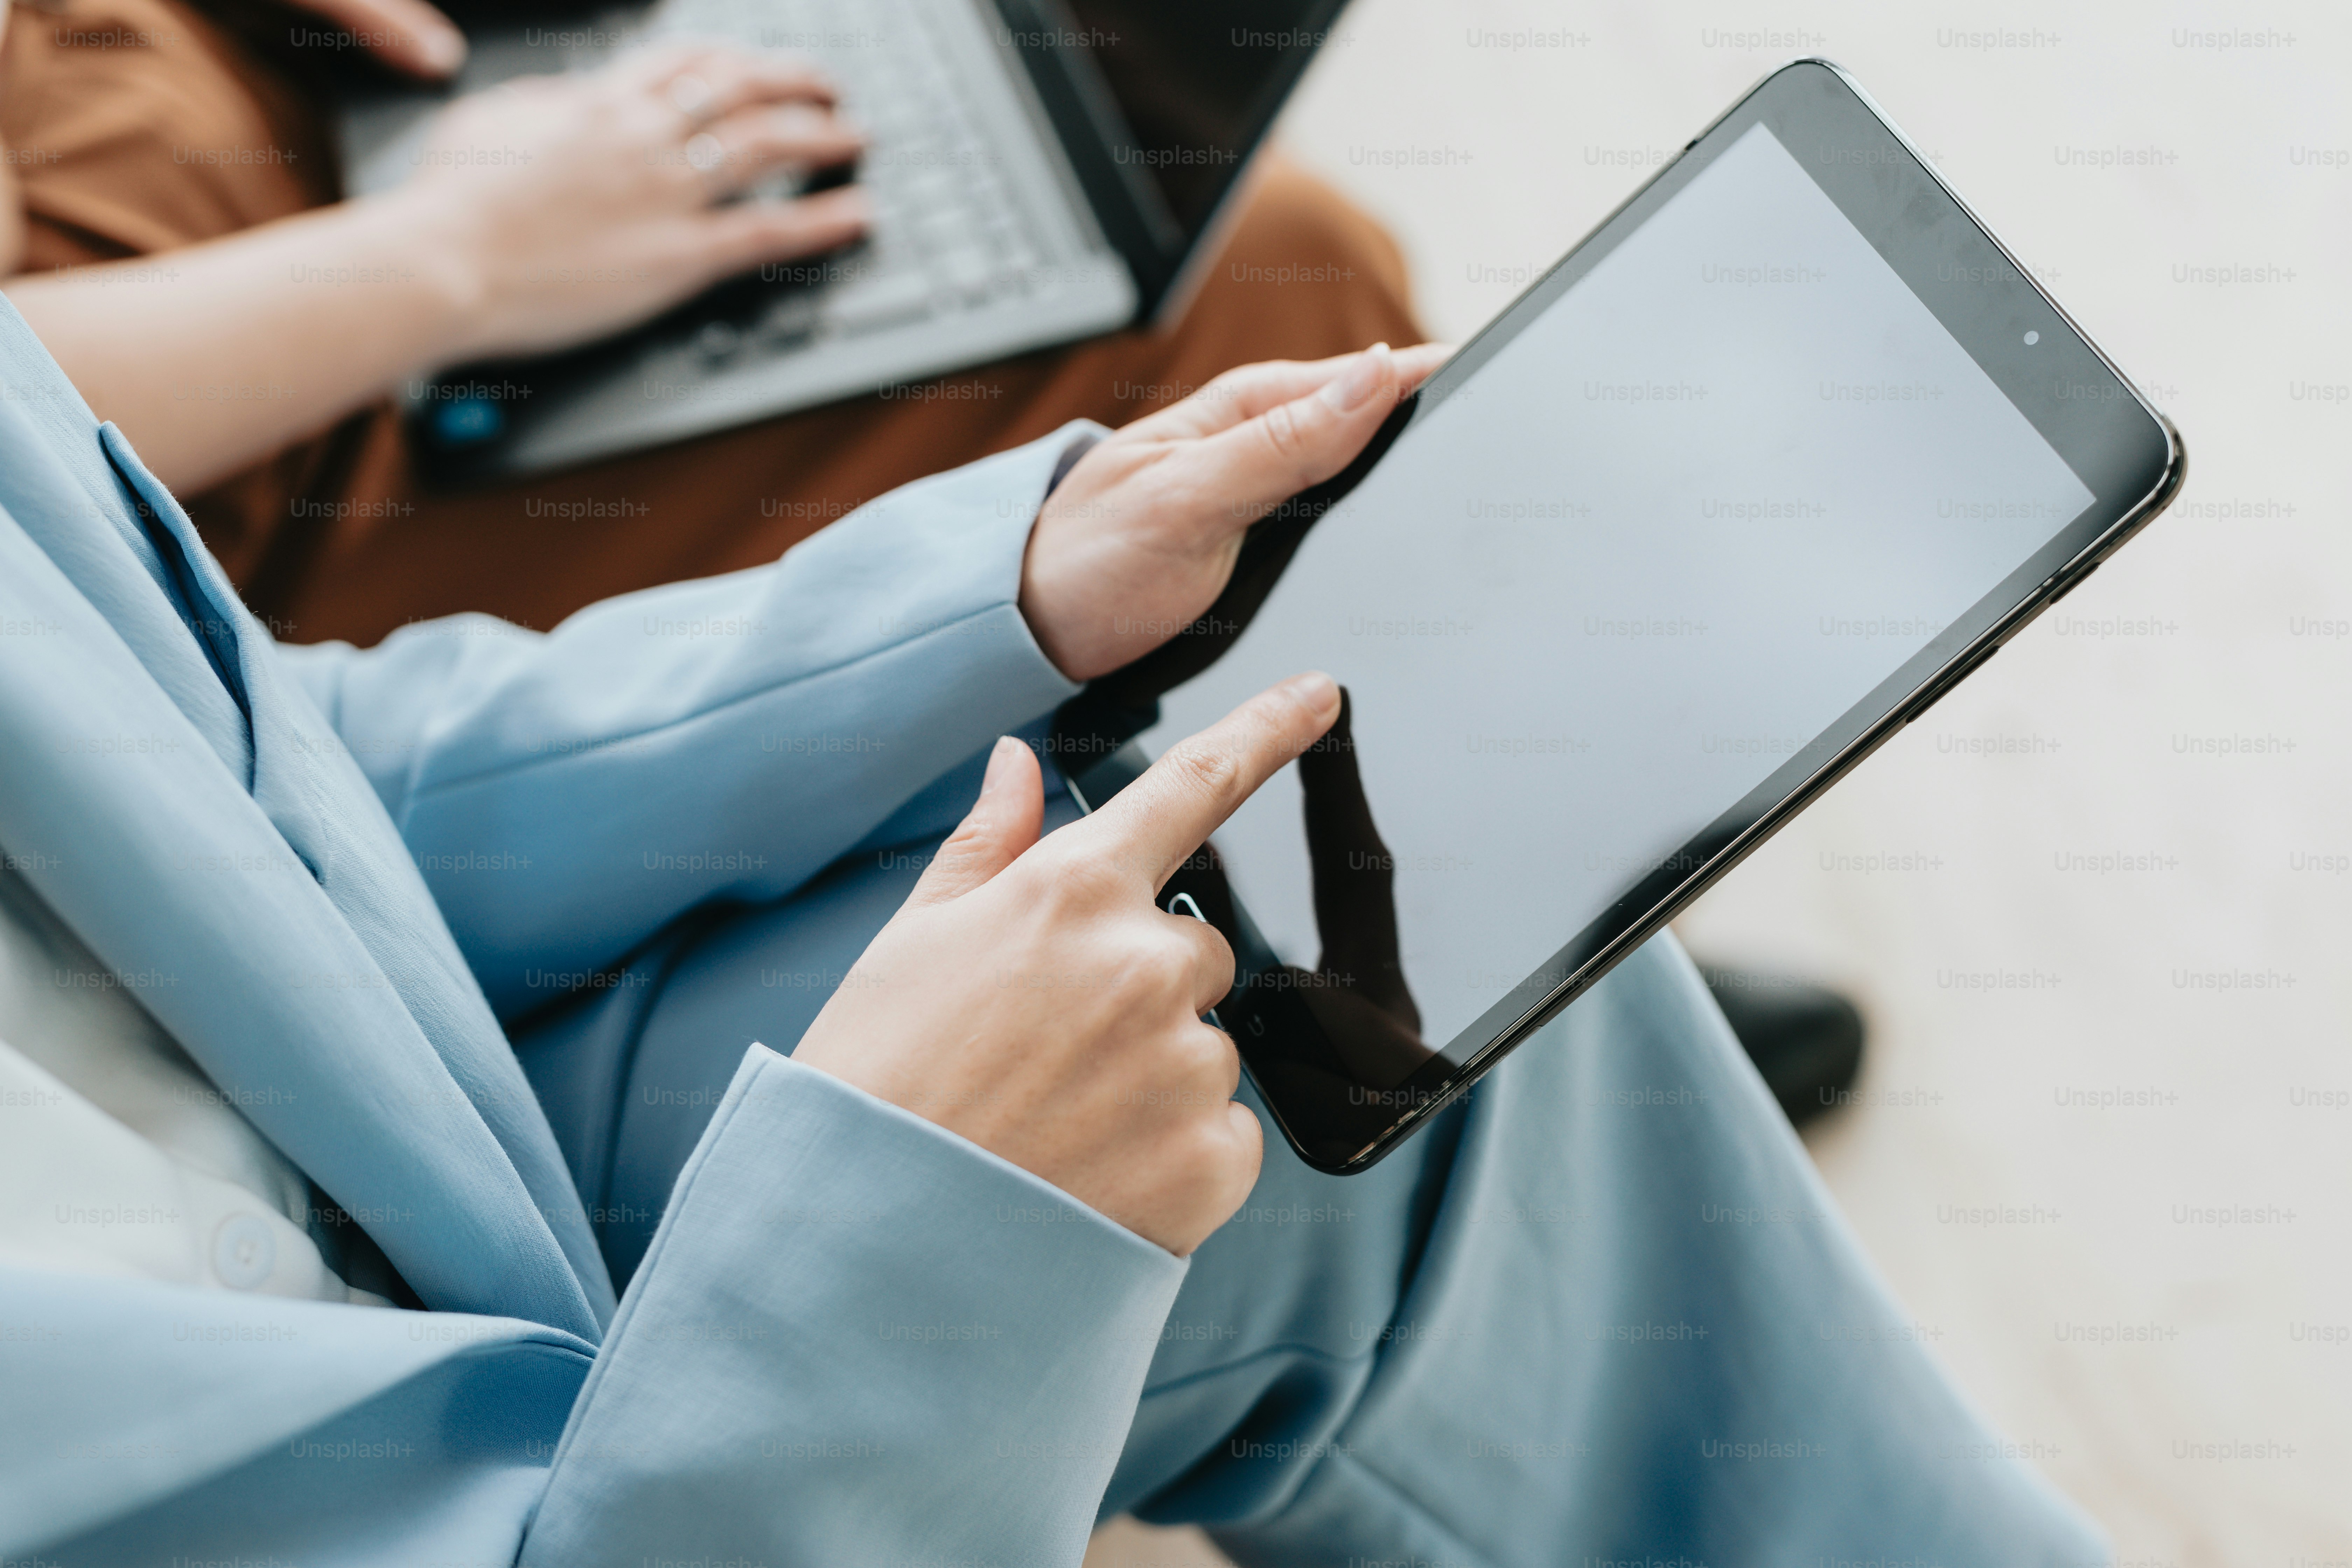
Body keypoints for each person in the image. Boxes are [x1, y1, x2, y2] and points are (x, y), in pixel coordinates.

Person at [0, 261, 2100, 1563]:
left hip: (370, 1116)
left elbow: (241, 758)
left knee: (1326, 1040)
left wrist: (994, 599)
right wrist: (922, 1230)